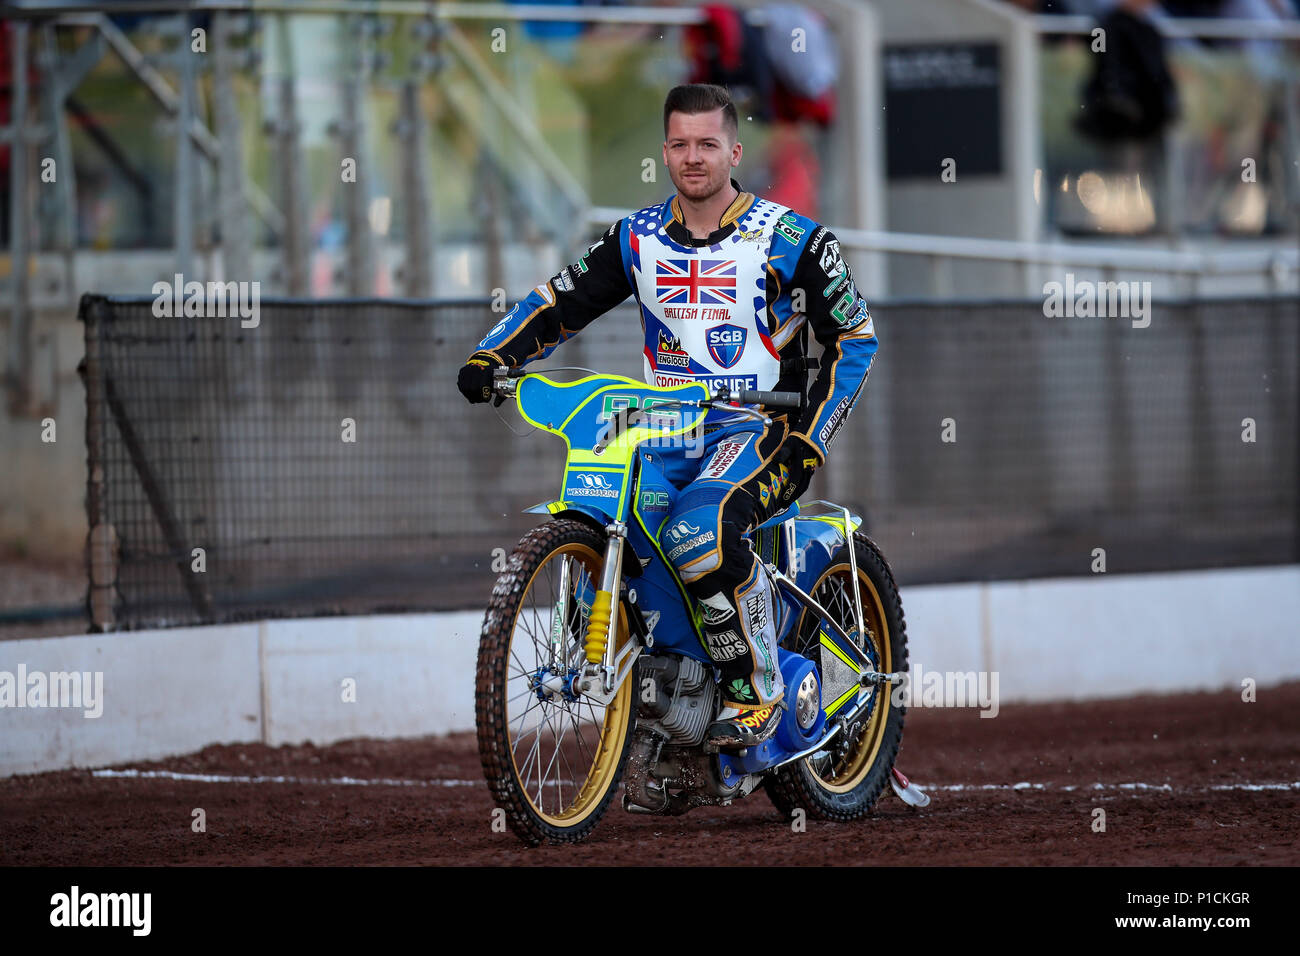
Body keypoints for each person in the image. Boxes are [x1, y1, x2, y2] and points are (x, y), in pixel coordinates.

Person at [458, 84, 877, 750]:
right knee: (600, 499)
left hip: (761, 428)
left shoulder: (793, 239)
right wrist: (492, 354)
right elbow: (561, 300)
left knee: (697, 529)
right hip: (665, 422)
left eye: (707, 144)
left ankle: (758, 689)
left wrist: (811, 439)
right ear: (664, 153)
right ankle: (664, 680)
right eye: (680, 144)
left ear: (734, 151)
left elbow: (855, 339)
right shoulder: (637, 237)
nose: (693, 157)